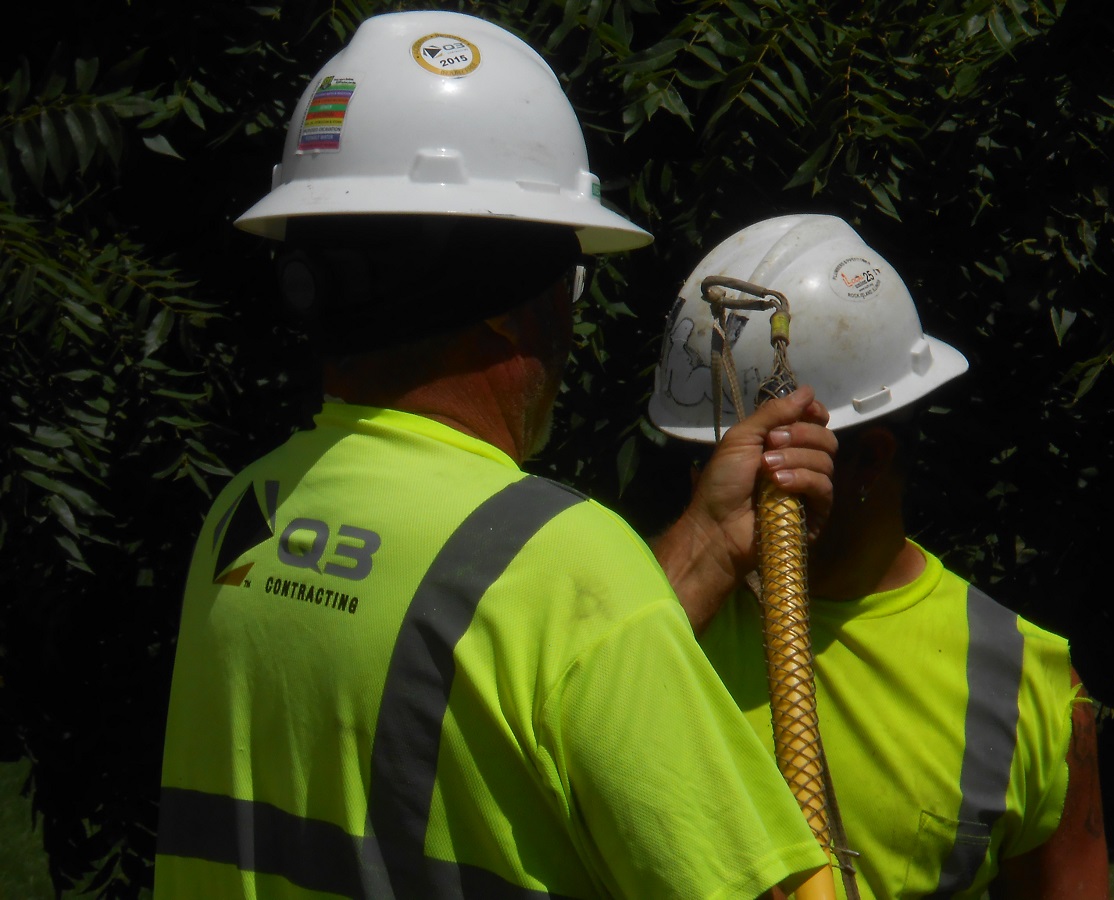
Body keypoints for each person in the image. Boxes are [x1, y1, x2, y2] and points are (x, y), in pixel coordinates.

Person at [154, 13, 837, 899]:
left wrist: (708, 541)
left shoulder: (248, 516)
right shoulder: (560, 563)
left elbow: (496, 696)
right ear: (518, 301)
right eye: (572, 281)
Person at [647, 214, 1110, 899]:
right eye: (703, 458)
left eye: (761, 454)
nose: (713, 484)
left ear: (869, 458)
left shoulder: (1022, 686)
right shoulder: (656, 613)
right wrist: (703, 551)